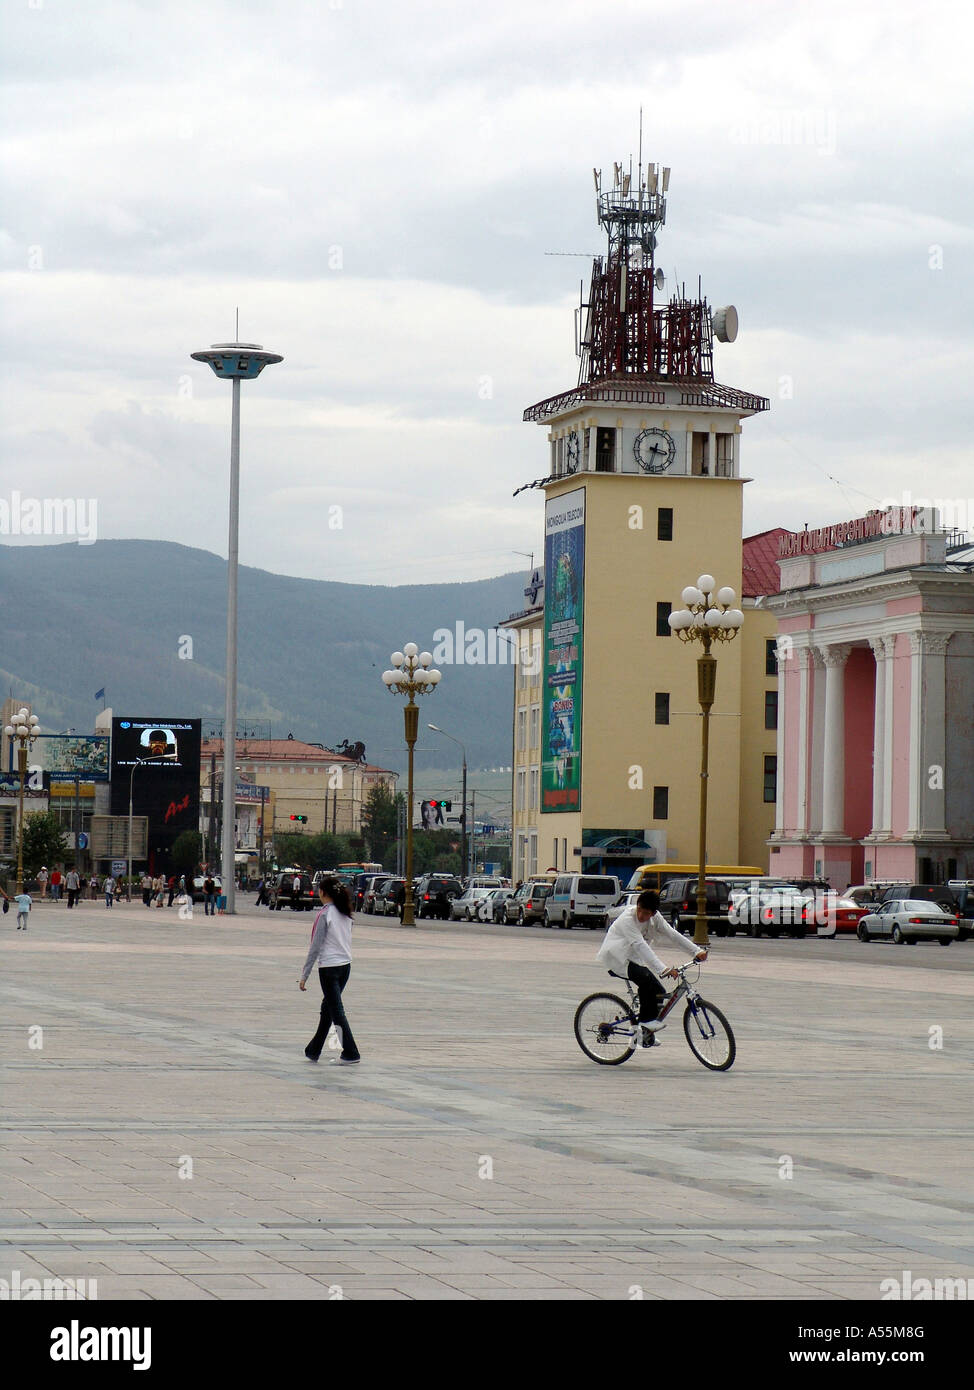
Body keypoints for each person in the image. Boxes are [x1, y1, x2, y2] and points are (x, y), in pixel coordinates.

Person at [596, 890, 707, 1047]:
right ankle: (644, 1025)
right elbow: (640, 945)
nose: (641, 915)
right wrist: (663, 969)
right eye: (639, 910)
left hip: (633, 958)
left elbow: (673, 935)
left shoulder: (656, 918)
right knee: (647, 981)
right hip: (617, 958)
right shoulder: (628, 919)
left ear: (654, 913)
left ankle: (643, 1035)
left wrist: (696, 951)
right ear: (637, 906)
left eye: (646, 913)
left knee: (658, 992)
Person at [299, 878, 361, 1065]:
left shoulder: (325, 914)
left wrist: (304, 975)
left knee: (336, 1011)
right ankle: (313, 1050)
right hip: (345, 966)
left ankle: (351, 1052)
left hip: (328, 968)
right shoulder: (345, 913)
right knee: (328, 1009)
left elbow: (315, 947)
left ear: (323, 893)